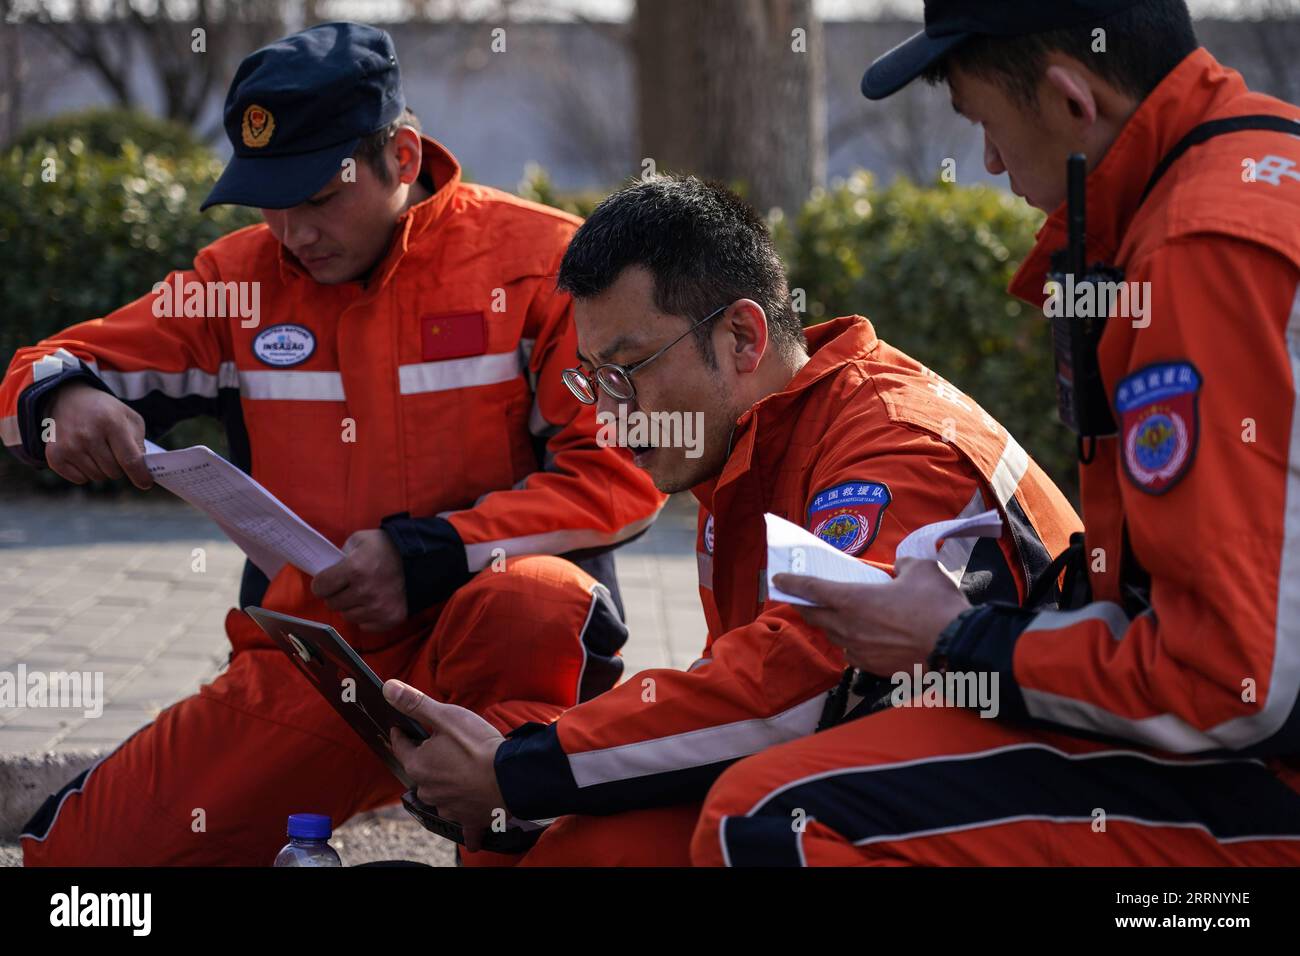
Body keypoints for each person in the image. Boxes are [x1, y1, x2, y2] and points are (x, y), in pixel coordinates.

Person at [2, 21, 664, 865]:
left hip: (507, 644)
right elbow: (49, 363)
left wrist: (425, 555)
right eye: (269, 201)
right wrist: (64, 398)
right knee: (84, 866)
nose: (292, 232)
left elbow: (621, 473)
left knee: (528, 597)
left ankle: (509, 829)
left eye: (318, 196)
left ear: (404, 154)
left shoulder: (544, 264)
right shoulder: (238, 281)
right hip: (320, 661)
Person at [691, 0, 1300, 866]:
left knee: (767, 815)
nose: (985, 160)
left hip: (1263, 777)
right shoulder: (1263, 160)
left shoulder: (1200, 253)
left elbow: (1230, 686)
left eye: (983, 122)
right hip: (1240, 737)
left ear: (1068, 99)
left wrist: (955, 639)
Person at [382, 175, 1082, 865]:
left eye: (628, 371)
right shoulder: (752, 452)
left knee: (602, 846)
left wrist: (520, 771)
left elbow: (798, 685)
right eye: (592, 379)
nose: (607, 416)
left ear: (743, 338)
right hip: (926, 786)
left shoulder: (897, 445)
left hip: (1042, 811)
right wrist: (531, 782)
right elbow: (739, 698)